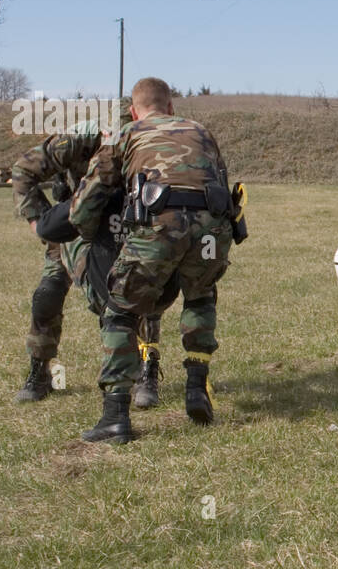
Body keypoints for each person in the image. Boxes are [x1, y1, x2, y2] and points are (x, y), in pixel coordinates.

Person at [70, 77, 234, 444]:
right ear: (171, 107)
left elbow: (90, 196)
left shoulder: (127, 133)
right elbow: (220, 178)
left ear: (133, 111)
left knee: (121, 310)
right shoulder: (202, 131)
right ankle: (196, 387)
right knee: (200, 296)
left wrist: (85, 230)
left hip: (159, 225)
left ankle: (115, 416)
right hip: (211, 230)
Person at [12, 101, 170, 408]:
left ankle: (145, 371)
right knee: (47, 294)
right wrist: (40, 221)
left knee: (141, 293)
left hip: (126, 227)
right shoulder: (76, 143)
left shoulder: (151, 148)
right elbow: (23, 170)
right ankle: (39, 370)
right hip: (75, 228)